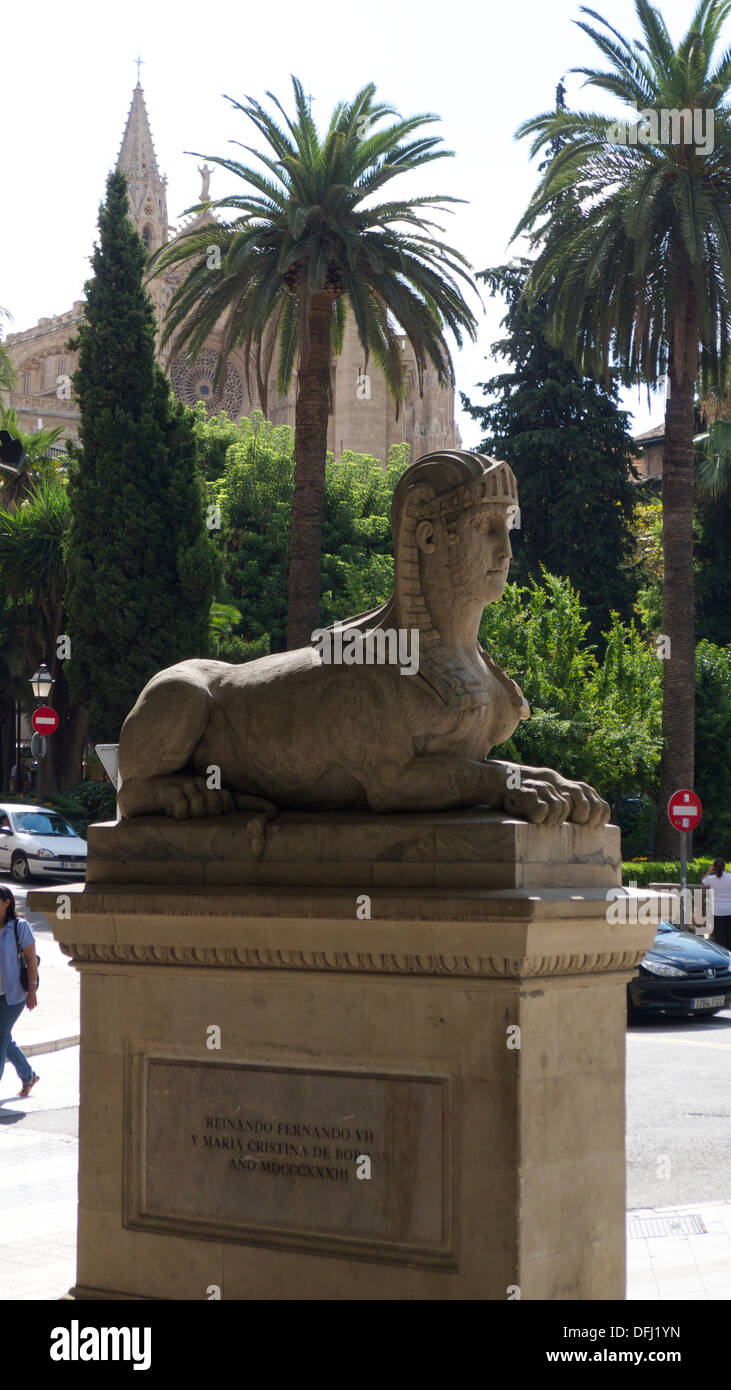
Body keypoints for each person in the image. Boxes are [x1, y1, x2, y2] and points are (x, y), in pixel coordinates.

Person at [0, 886, 39, 1098]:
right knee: (4, 1038)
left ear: (7, 902)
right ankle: (28, 1075)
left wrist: (32, 990)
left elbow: (32, 959)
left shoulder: (19, 926)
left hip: (13, 995)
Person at [701, 858, 731, 949]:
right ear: (724, 867)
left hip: (717, 911)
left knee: (719, 935)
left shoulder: (711, 879)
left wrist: (709, 871)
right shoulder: (730, 877)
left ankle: (723, 952)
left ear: (714, 867)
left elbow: (703, 881)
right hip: (729, 910)